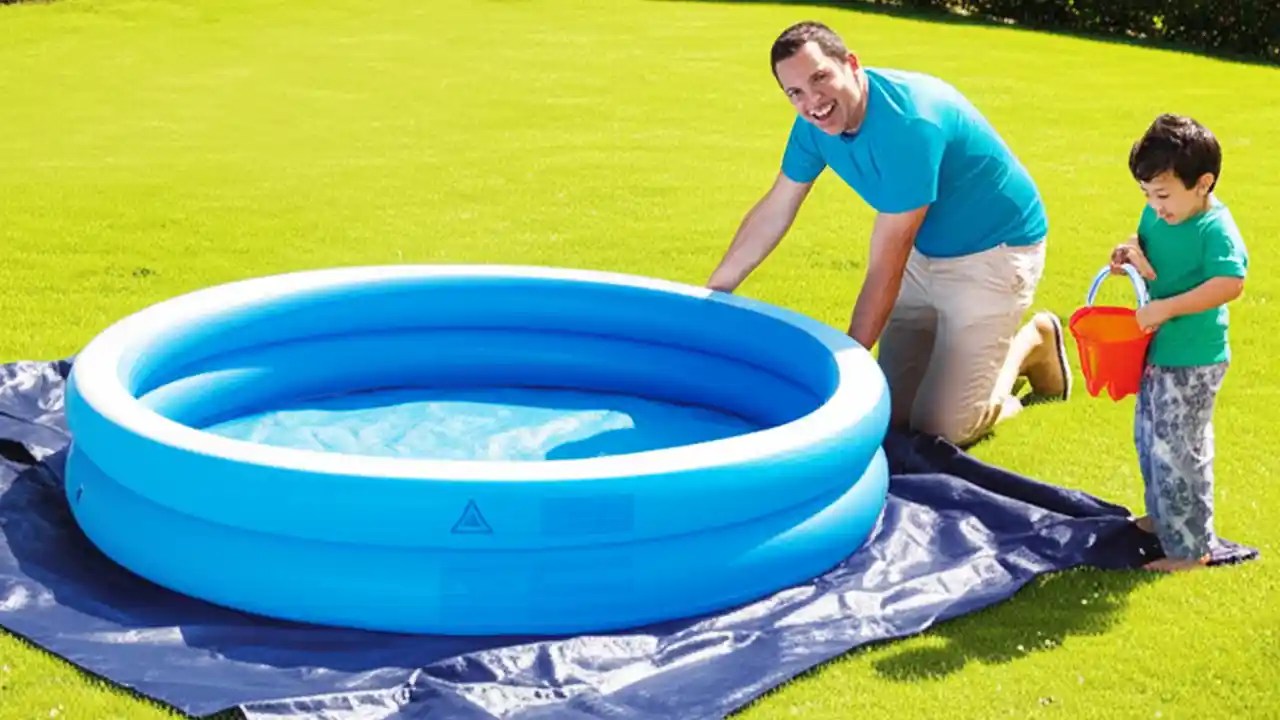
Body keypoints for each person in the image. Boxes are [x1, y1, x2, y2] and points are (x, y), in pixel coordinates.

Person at [706, 20, 1069, 447]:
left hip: (993, 254)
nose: (813, 101)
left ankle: (1035, 342)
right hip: (925, 250)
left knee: (943, 431)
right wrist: (715, 292)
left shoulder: (909, 125)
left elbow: (886, 263)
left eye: (820, 77)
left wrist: (843, 372)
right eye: (796, 93)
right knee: (892, 415)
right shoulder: (813, 126)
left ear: (851, 64)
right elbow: (776, 207)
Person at [1108, 113, 1248, 572]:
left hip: (1193, 358)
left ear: (1203, 183)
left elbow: (1230, 283)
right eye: (1147, 194)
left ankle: (1190, 550)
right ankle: (1166, 516)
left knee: (1180, 449)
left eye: (1163, 195)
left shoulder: (1214, 229)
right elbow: (1145, 241)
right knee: (1150, 440)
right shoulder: (1158, 212)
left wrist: (1166, 308)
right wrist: (1128, 254)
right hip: (1158, 353)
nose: (1155, 205)